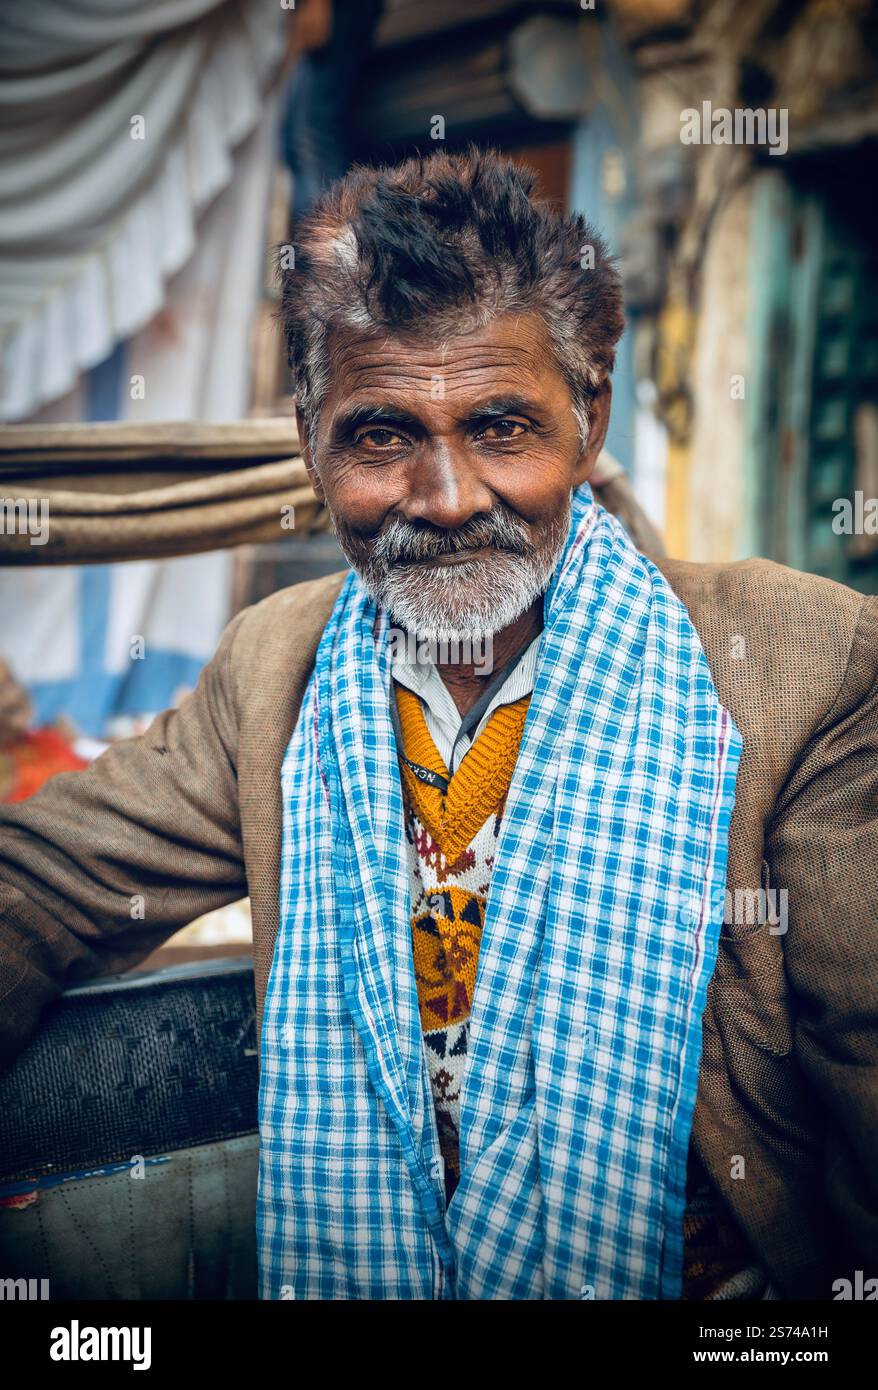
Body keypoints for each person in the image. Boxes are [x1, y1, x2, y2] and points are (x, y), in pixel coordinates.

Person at [1, 149, 876, 1301]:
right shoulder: (277, 669)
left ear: (588, 413)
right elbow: (48, 879)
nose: (448, 494)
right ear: (312, 436)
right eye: (381, 435)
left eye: (502, 426)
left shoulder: (800, 665)